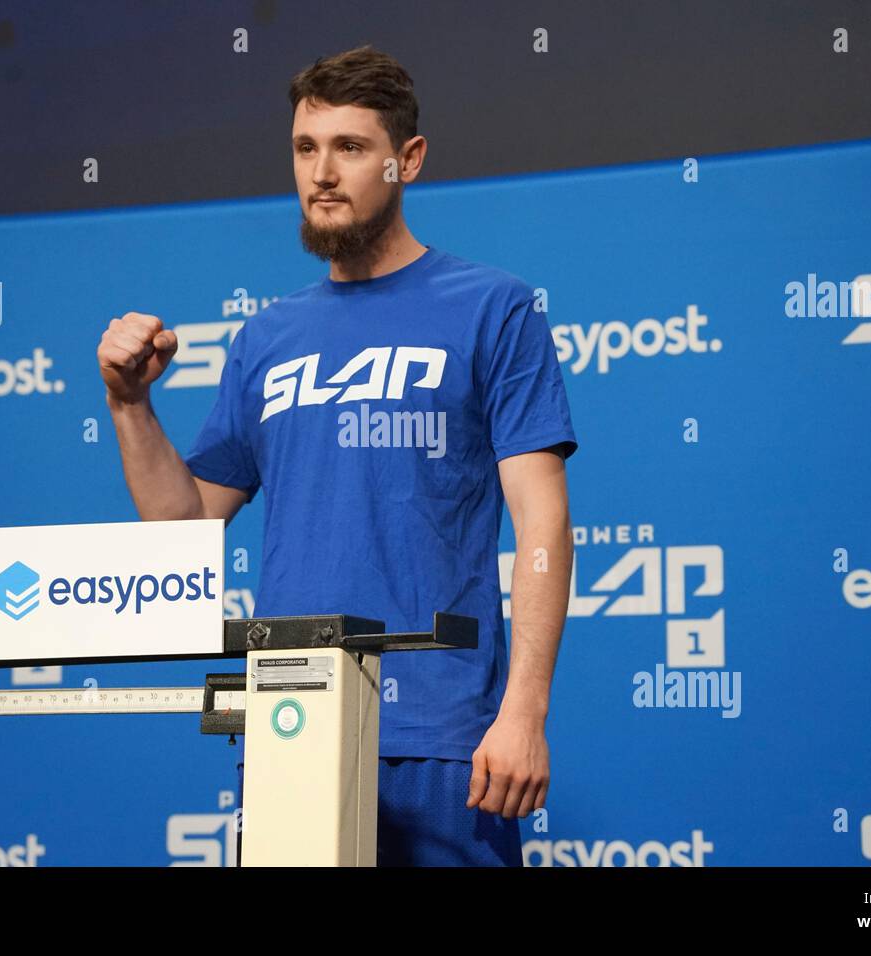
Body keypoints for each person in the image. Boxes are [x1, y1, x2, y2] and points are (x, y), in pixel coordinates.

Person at [98, 45, 577, 866]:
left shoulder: (493, 308)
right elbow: (182, 532)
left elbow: (543, 520)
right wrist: (130, 404)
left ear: (408, 159)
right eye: (305, 148)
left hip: (444, 736)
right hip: (294, 725)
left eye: (350, 148)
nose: (322, 172)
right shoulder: (266, 338)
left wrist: (524, 711)